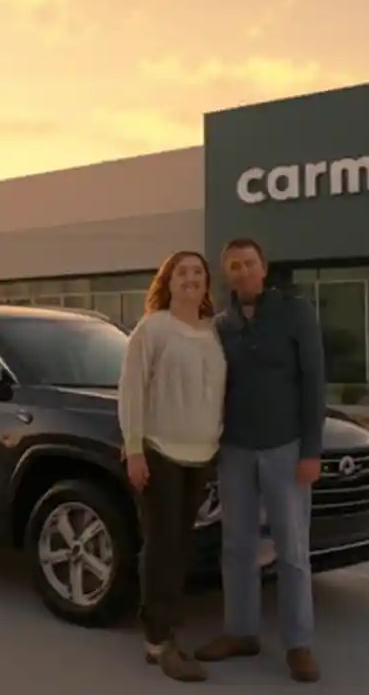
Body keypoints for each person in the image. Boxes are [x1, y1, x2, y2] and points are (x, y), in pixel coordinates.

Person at [193, 237, 326, 684]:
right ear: (226, 273)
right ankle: (241, 632)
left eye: (249, 264)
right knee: (237, 546)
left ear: (263, 268)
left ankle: (299, 644)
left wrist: (311, 450)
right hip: (234, 450)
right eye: (234, 266)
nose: (243, 272)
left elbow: (314, 385)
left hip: (284, 448)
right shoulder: (221, 325)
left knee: (291, 550)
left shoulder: (296, 314)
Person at [118, 250, 227, 683]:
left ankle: (168, 630)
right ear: (168, 281)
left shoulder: (214, 332)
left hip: (203, 455)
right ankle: (158, 642)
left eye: (197, 272)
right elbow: (131, 390)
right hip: (160, 452)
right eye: (181, 272)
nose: (190, 278)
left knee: (181, 548)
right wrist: (134, 449)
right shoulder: (153, 328)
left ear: (205, 284)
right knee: (161, 548)